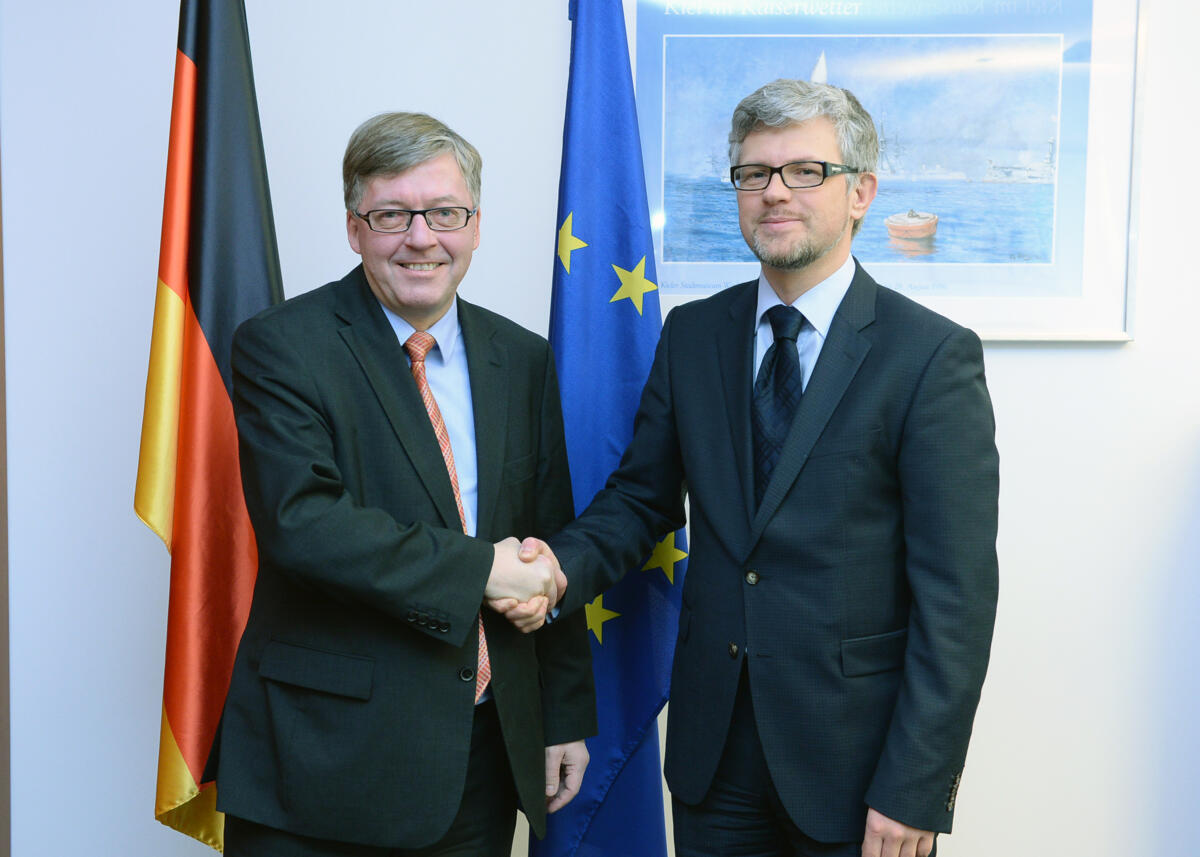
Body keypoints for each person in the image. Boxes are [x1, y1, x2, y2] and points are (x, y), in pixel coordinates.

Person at [510, 78, 999, 857]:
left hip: (859, 766)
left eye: (806, 171)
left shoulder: (930, 356)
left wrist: (915, 786)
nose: (775, 192)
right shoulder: (694, 334)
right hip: (714, 755)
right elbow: (640, 499)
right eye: (753, 172)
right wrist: (553, 567)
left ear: (862, 192)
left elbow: (958, 597)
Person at [206, 111, 596, 857]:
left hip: (480, 756)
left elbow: (549, 534)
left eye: (445, 213)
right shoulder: (282, 346)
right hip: (322, 763)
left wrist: (562, 709)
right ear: (355, 228)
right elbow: (305, 524)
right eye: (392, 214)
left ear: (475, 225)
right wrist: (486, 568)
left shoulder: (522, 358)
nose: (422, 237)